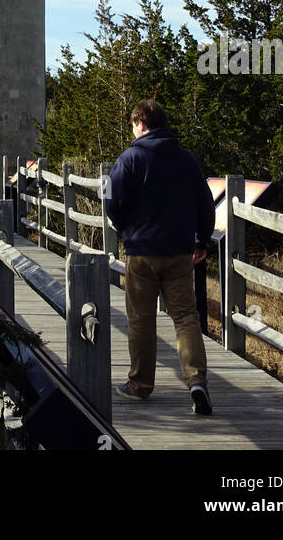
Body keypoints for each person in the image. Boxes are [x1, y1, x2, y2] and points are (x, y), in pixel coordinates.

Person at [104, 99, 216, 416]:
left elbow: (110, 199)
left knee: (141, 320)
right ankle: (196, 381)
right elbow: (205, 203)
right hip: (180, 252)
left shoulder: (129, 158)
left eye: (133, 126)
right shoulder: (187, 160)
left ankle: (139, 386)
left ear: (140, 123)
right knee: (185, 317)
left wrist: (124, 226)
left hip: (141, 253)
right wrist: (201, 239)